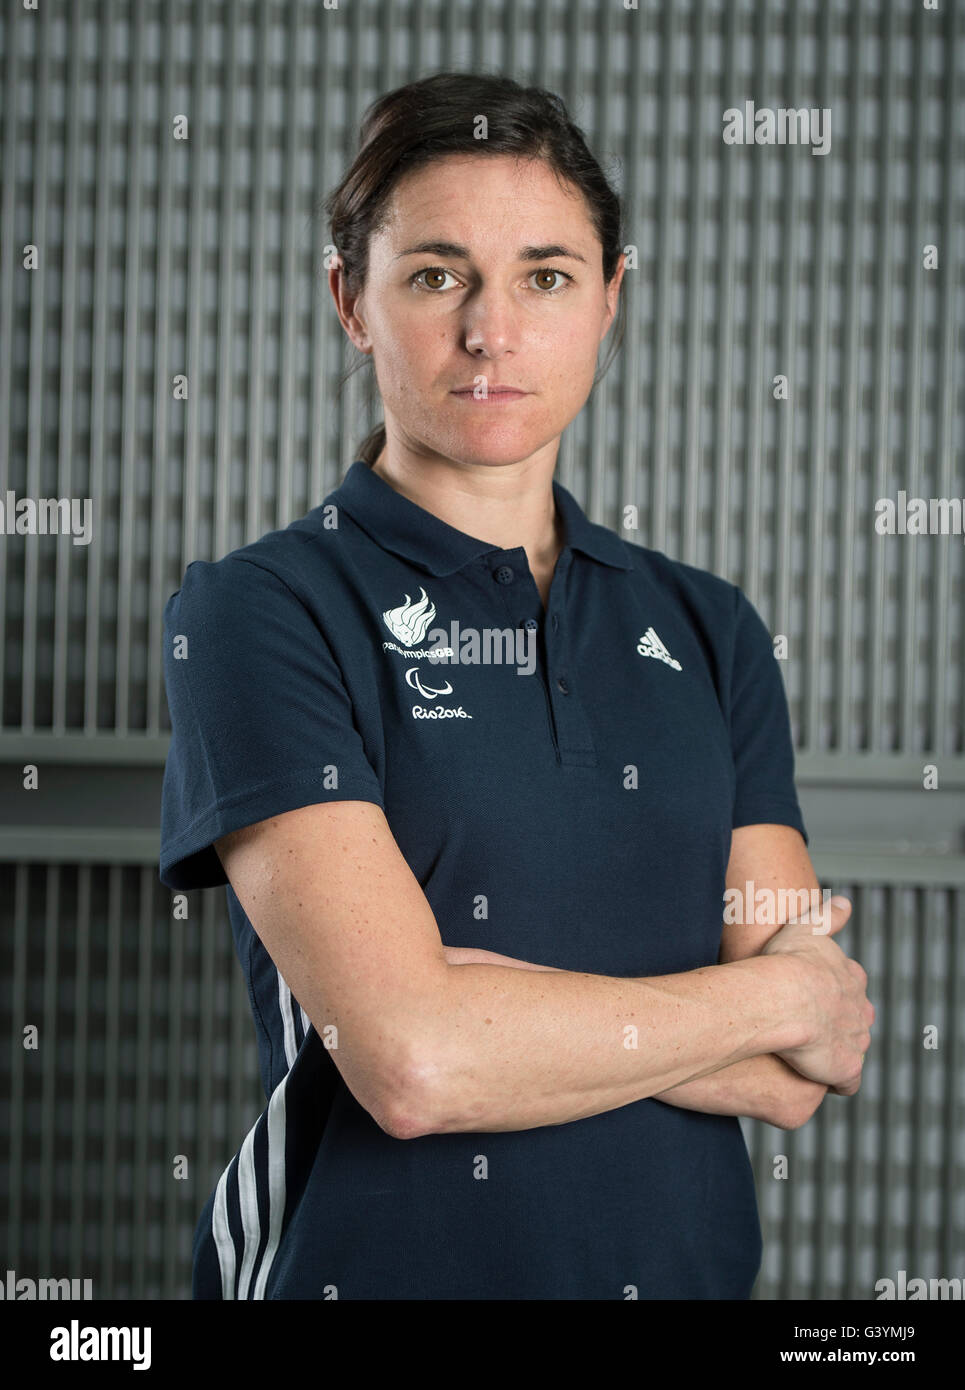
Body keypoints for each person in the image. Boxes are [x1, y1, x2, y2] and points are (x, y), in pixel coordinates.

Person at [158, 71, 874, 1300]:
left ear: (609, 301)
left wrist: (482, 1001)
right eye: (436, 274)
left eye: (545, 275)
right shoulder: (260, 611)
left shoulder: (709, 628)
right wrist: (761, 993)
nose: (492, 329)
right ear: (351, 300)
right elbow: (414, 1064)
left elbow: (808, 1062)